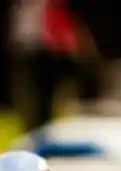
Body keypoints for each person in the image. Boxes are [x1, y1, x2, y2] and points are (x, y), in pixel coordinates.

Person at [10, 0, 100, 131]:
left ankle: (53, 124)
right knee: (37, 99)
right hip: (37, 52)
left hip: (54, 52)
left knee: (53, 96)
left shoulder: (54, 8)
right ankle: (38, 127)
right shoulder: (29, 7)